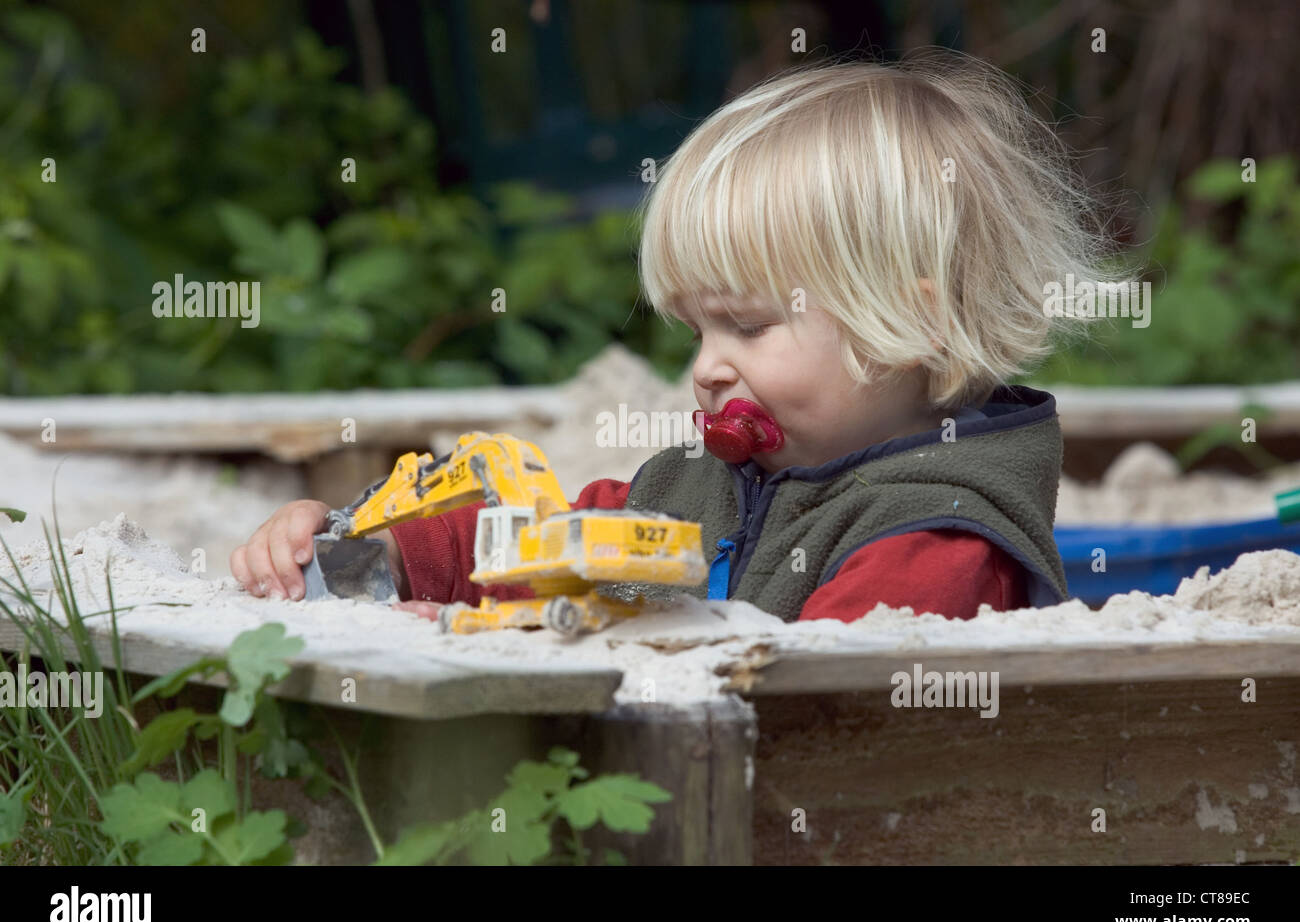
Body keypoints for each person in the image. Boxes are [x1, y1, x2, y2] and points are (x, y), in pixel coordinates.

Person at [231, 52, 1128, 624]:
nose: (705, 368)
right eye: (696, 328)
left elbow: (814, 725)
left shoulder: (936, 545)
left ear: (915, 323)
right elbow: (537, 545)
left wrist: (522, 647)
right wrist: (363, 558)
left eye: (747, 324)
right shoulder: (694, 490)